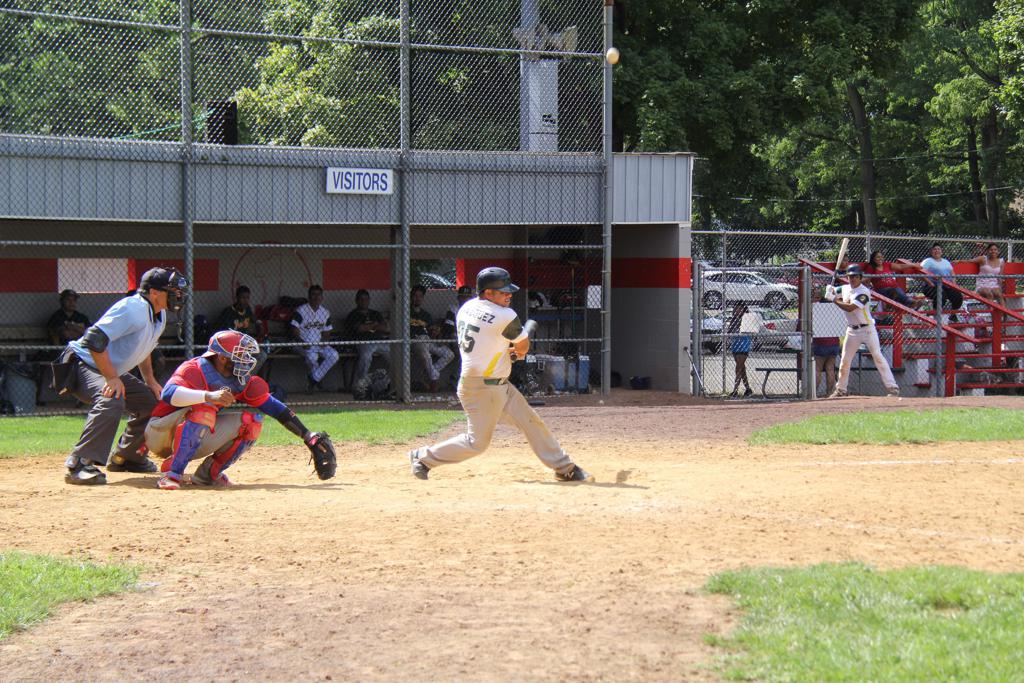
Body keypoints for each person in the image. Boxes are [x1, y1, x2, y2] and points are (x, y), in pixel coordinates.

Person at [407, 267, 593, 482]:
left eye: (509, 291)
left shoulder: (467, 307)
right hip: (485, 389)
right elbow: (522, 346)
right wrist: (517, 352)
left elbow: (488, 341)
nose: (509, 295)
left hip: (490, 384)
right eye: (503, 291)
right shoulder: (505, 315)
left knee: (531, 421)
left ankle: (564, 467)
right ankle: (422, 457)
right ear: (487, 293)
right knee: (476, 443)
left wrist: (508, 352)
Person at [147, 330, 328, 489]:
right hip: (160, 432)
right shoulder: (194, 369)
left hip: (193, 434)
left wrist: (307, 435)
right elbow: (169, 394)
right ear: (222, 357)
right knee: (205, 409)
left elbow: (275, 408)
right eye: (240, 355)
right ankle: (172, 474)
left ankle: (208, 475)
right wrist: (208, 396)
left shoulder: (239, 380)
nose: (247, 360)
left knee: (253, 422)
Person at [61, 267, 188, 485]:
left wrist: (150, 381)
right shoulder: (133, 308)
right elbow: (94, 340)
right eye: (172, 290)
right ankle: (78, 463)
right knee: (111, 397)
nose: (177, 296)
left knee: (150, 402)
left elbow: (145, 347)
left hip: (103, 366)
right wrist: (111, 378)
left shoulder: (159, 314)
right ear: (154, 293)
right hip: (80, 364)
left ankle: (127, 457)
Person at [828, 265, 900, 398]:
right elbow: (834, 290)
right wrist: (828, 290)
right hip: (852, 330)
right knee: (845, 360)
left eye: (855, 276)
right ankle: (841, 390)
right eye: (850, 276)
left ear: (860, 278)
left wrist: (833, 299)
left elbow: (851, 308)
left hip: (867, 329)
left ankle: (892, 388)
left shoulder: (864, 292)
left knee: (877, 356)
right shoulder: (844, 288)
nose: (853, 279)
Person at [291, 284, 337, 392]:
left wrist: (324, 341)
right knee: (312, 357)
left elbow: (327, 331)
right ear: (309, 296)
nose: (316, 297)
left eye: (319, 295)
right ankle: (316, 380)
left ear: (322, 297)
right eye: (313, 295)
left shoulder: (325, 312)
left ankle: (314, 379)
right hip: (302, 343)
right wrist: (301, 342)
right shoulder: (301, 310)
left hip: (318, 343)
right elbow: (294, 329)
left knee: (334, 355)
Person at [410, 285, 454, 392]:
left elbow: (431, 331)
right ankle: (433, 379)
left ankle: (429, 373)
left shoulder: (426, 315)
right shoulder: (406, 312)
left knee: (449, 354)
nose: (418, 298)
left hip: (427, 340)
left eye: (420, 296)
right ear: (411, 297)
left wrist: (435, 331)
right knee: (425, 353)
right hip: (413, 341)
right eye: (415, 296)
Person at [343, 289, 390, 385]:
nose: (364, 302)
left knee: (396, 356)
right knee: (366, 357)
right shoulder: (353, 315)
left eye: (366, 299)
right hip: (364, 342)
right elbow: (360, 328)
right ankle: (362, 384)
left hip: (380, 341)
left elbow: (386, 328)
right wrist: (375, 325)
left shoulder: (375, 313)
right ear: (356, 301)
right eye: (361, 299)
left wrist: (370, 326)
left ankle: (392, 383)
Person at [215, 285, 267, 371]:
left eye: (247, 298)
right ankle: (240, 378)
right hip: (230, 346)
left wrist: (259, 325)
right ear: (237, 298)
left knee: (262, 355)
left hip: (244, 345)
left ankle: (246, 378)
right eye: (243, 298)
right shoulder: (228, 312)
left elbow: (255, 320)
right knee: (240, 360)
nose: (245, 301)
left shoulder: (248, 310)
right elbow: (223, 333)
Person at [920, 243, 963, 312]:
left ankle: (953, 315)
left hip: (946, 285)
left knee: (958, 296)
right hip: (931, 286)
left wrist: (954, 284)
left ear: (941, 251)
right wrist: (930, 283)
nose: (937, 251)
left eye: (938, 249)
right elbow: (920, 273)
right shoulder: (928, 261)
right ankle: (935, 315)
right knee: (941, 295)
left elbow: (952, 273)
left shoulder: (946, 261)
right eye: (934, 249)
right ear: (931, 251)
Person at [727, 303, 755, 398]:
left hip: (744, 345)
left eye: (739, 309)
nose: (737, 310)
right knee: (741, 368)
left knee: (738, 367)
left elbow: (749, 331)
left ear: (744, 310)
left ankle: (735, 390)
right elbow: (729, 332)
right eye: (736, 309)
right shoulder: (733, 320)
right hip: (735, 345)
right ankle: (748, 389)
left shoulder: (747, 319)